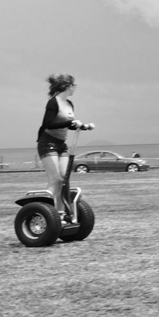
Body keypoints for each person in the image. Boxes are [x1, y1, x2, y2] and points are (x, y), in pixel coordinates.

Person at [37, 74, 93, 220]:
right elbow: (48, 124)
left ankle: (60, 215)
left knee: (64, 179)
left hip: (61, 144)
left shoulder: (69, 104)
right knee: (55, 179)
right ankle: (44, 213)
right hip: (47, 142)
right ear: (68, 86)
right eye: (74, 85)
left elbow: (69, 124)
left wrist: (83, 127)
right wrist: (69, 124)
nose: (75, 87)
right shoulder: (53, 103)